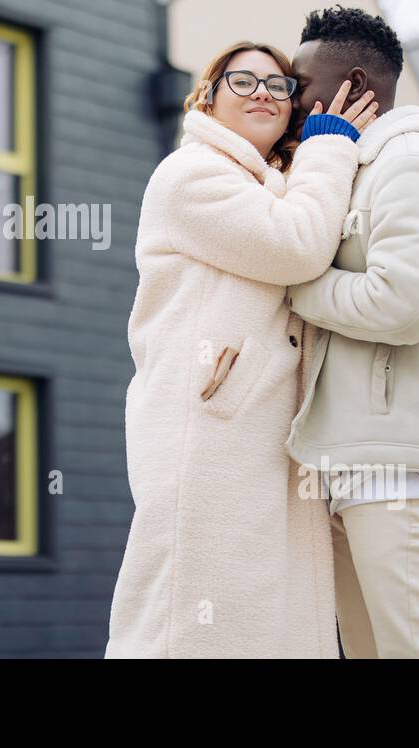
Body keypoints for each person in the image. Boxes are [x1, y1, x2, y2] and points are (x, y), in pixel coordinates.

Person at [105, 40, 377, 658]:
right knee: (187, 613)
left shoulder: (271, 183)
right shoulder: (190, 175)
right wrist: (330, 145)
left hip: (264, 431)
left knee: (263, 617)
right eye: (243, 81)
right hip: (204, 427)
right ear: (209, 96)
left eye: (279, 86)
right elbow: (298, 244)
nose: (263, 92)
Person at [285, 6, 419, 658]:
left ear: (353, 84)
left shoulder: (412, 167)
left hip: (408, 471)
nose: (291, 99)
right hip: (355, 465)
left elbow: (403, 307)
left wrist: (296, 285)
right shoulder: (352, 171)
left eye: (301, 83)